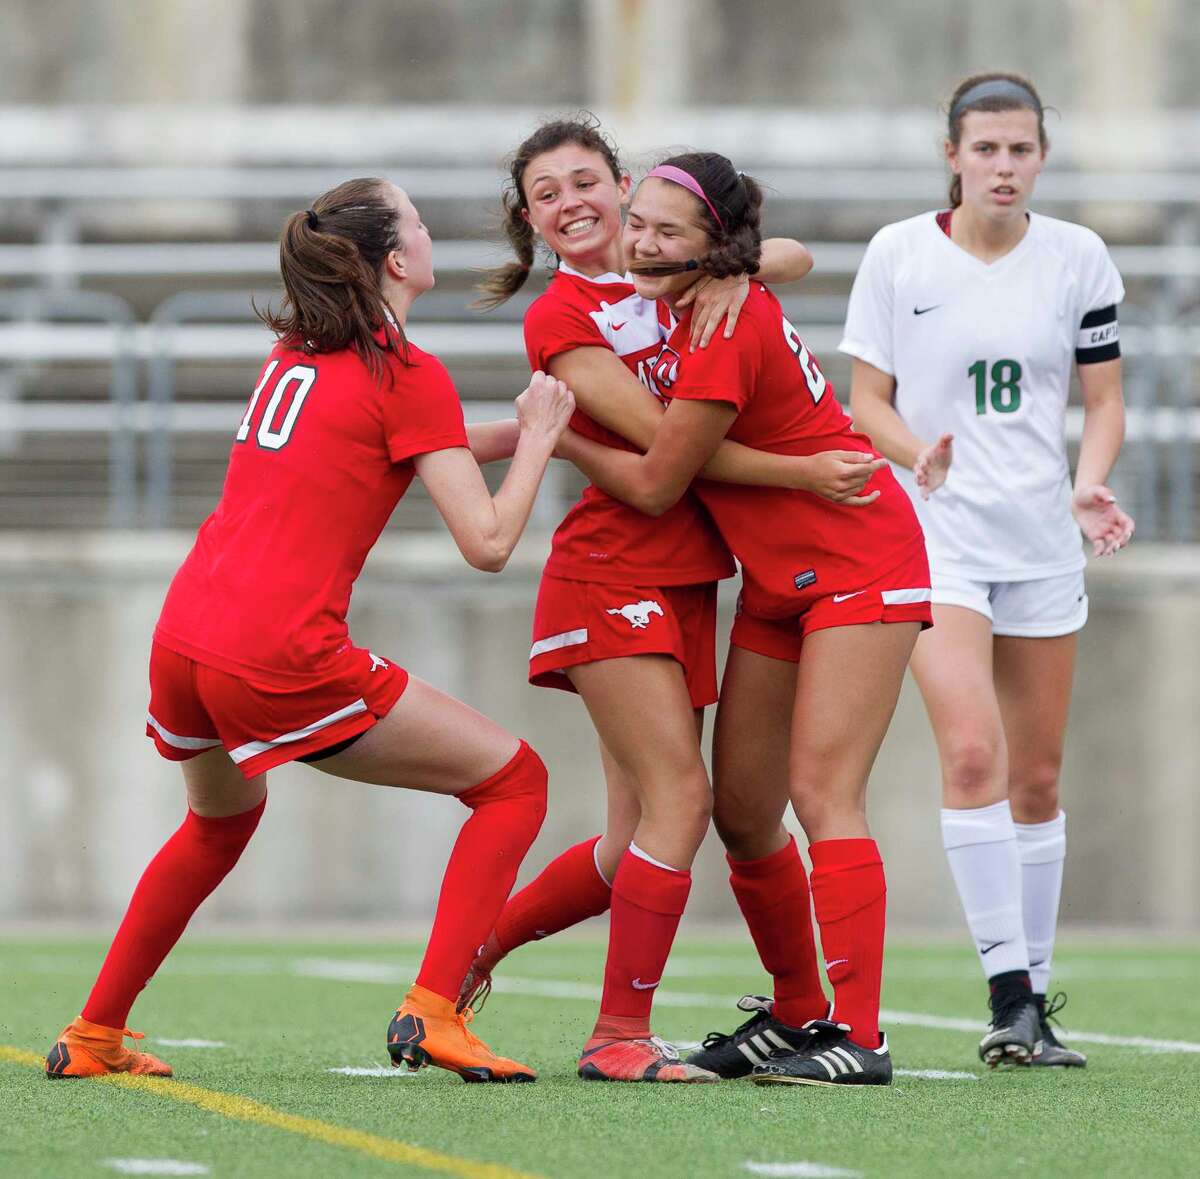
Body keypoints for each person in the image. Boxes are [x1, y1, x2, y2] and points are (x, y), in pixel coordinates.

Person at [44, 177, 575, 1085]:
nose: (429, 230)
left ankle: (95, 1032)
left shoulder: (295, 351)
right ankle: (434, 1009)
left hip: (186, 634)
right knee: (515, 782)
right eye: (417, 219)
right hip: (276, 650)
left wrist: (528, 431)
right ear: (399, 261)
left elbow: (411, 439)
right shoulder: (405, 371)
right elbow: (487, 541)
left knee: (218, 823)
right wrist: (539, 441)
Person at [464, 117, 881, 1084]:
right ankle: (617, 1035)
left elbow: (797, 251)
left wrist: (738, 267)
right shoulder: (562, 319)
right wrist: (802, 473)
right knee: (683, 801)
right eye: (545, 197)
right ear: (531, 224)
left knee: (632, 839)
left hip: (695, 578)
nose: (572, 204)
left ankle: (465, 959)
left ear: (624, 188)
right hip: (614, 569)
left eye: (585, 181)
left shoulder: (679, 272)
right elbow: (663, 455)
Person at [555, 150, 932, 1087]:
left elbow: (654, 480)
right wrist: (742, 266)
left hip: (857, 562)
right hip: (780, 579)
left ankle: (862, 1036)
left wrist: (554, 432)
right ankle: (800, 1013)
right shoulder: (698, 297)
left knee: (822, 793)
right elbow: (783, 257)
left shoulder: (721, 322)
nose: (640, 239)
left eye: (666, 231)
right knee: (746, 808)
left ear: (715, 245)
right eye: (636, 220)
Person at [840, 73, 1133, 1068]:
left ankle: (1036, 1000)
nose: (1003, 167)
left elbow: (1101, 403)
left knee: (1039, 780)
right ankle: (1008, 997)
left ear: (1041, 156)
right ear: (954, 156)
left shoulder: (1079, 257)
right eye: (986, 150)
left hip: (1041, 542)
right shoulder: (899, 253)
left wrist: (1089, 486)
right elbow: (863, 397)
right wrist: (909, 450)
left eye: (1020, 150)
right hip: (938, 539)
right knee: (974, 756)